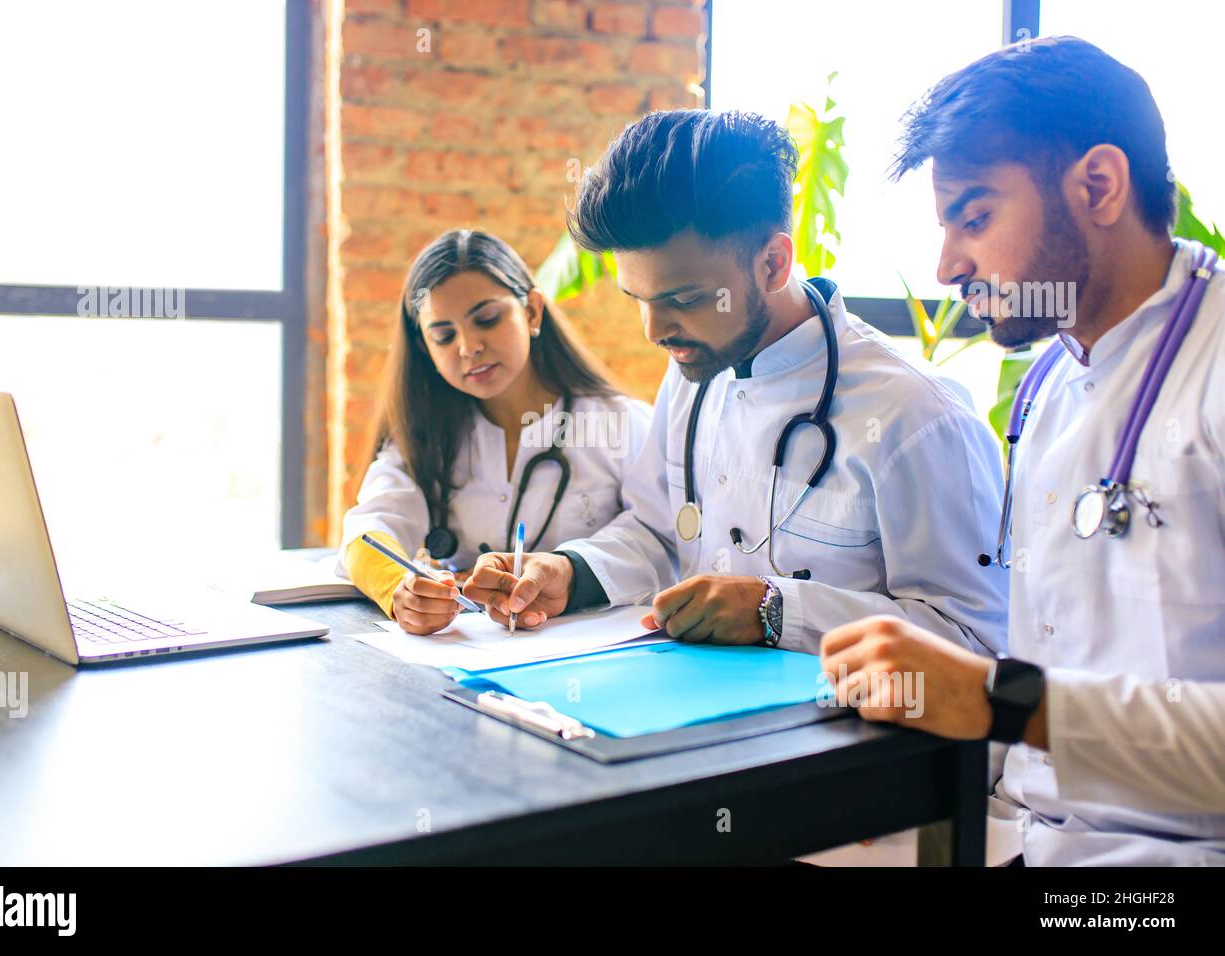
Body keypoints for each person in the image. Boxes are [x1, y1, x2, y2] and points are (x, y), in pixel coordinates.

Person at [824, 36, 1225, 865]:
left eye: (975, 217)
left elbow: (1021, 698)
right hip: (1037, 839)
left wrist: (1005, 702)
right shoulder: (1045, 383)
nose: (947, 265)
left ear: (1099, 186)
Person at [464, 110, 1007, 658]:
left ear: (772, 263)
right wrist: (571, 572)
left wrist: (776, 610)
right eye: (640, 302)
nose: (655, 331)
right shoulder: (694, 372)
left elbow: (975, 637)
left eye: (685, 299)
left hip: (848, 737)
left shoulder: (917, 416)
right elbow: (659, 532)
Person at [339, 229, 650, 635]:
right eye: (444, 336)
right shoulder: (423, 436)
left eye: (487, 319)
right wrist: (400, 588)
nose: (469, 347)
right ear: (425, 349)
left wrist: (572, 570)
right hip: (468, 662)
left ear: (533, 312)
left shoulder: (624, 425)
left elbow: (659, 541)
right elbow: (368, 530)